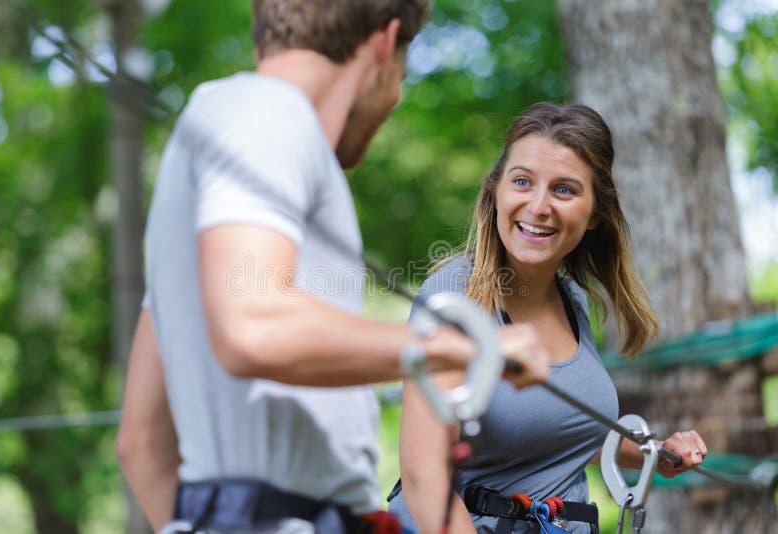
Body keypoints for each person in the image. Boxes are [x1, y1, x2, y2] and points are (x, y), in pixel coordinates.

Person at [115, 2, 551, 533]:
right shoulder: (266, 111)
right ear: (385, 45)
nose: (394, 98)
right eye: (404, 77)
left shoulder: (217, 143)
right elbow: (253, 328)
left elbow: (140, 444)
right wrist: (465, 348)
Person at [387, 102, 708, 534]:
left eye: (564, 190)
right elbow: (425, 480)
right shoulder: (453, 296)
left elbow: (561, 433)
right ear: (495, 191)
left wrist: (656, 454)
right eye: (522, 182)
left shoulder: (571, 300)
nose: (538, 206)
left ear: (595, 212)